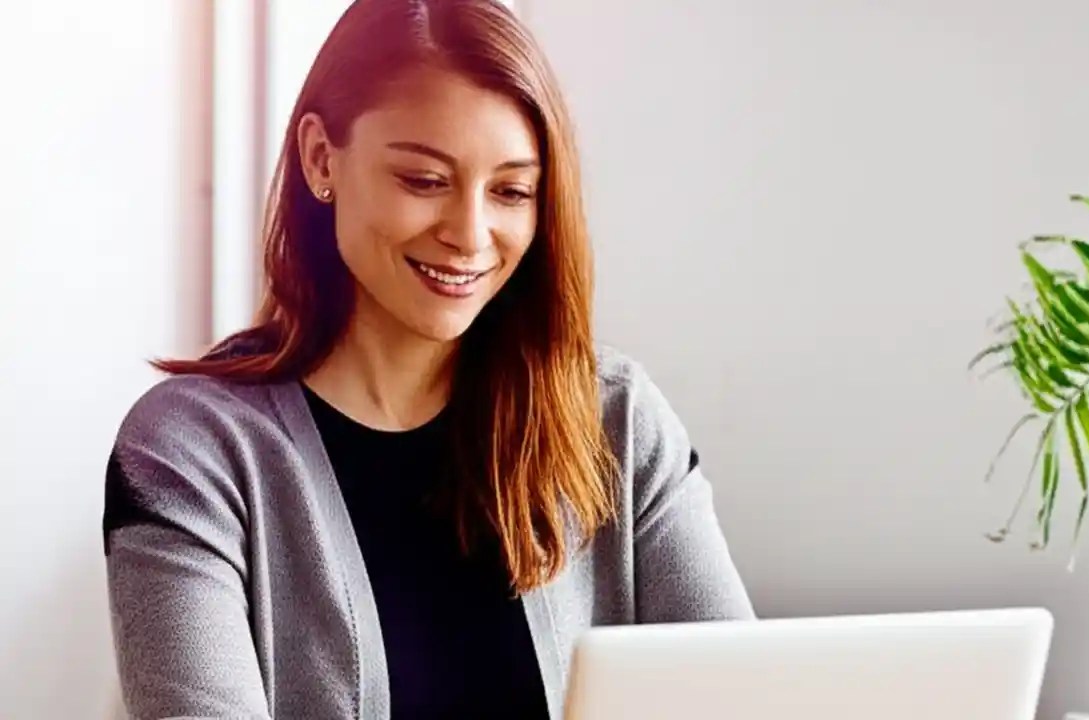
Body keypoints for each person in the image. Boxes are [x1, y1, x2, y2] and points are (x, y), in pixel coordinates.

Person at [101, 0, 754, 718]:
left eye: (510, 191)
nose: (471, 235)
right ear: (322, 158)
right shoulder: (191, 454)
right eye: (424, 180)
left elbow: (740, 699)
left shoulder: (619, 424)